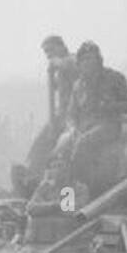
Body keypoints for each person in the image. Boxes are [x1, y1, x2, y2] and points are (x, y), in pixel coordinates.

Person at [32, 41, 127, 207]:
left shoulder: (114, 78)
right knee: (58, 152)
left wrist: (110, 106)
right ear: (80, 63)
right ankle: (49, 196)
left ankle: (73, 201)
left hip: (108, 125)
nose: (88, 63)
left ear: (99, 60)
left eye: (92, 59)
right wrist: (72, 128)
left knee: (82, 146)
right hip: (82, 127)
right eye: (85, 60)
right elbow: (72, 113)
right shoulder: (78, 85)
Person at [22, 36, 80, 187]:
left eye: (51, 50)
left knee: (63, 156)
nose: (48, 55)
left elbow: (73, 68)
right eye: (46, 52)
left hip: (75, 117)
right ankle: (32, 182)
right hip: (61, 117)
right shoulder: (60, 67)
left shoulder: (72, 59)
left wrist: (56, 63)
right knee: (39, 147)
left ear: (61, 46)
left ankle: (67, 204)